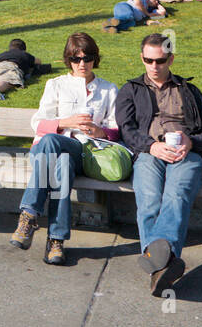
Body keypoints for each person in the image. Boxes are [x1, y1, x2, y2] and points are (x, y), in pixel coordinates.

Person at [115, 33, 202, 296]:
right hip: (149, 152)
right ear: (142, 58)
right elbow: (126, 130)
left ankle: (157, 265)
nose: (154, 66)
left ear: (170, 59)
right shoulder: (131, 90)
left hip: (185, 154)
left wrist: (191, 142)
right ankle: (163, 266)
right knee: (149, 200)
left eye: (160, 60)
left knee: (177, 195)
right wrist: (151, 146)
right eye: (148, 60)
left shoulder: (189, 90)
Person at [9, 32, 120, 265]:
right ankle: (56, 240)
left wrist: (100, 132)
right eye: (76, 59)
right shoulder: (56, 85)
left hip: (85, 153)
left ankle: (29, 215)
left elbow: (116, 129)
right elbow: (38, 123)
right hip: (49, 154)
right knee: (60, 161)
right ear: (68, 60)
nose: (82, 64)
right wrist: (65, 123)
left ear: (95, 59)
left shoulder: (108, 90)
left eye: (87, 58)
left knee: (56, 148)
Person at [103, 0, 167, 34]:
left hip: (131, 18)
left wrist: (158, 4)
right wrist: (148, 14)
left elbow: (163, 13)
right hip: (124, 6)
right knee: (128, 15)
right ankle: (110, 22)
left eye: (157, 1)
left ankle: (109, 28)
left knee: (132, 23)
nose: (156, 1)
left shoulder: (149, 10)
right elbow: (137, 3)